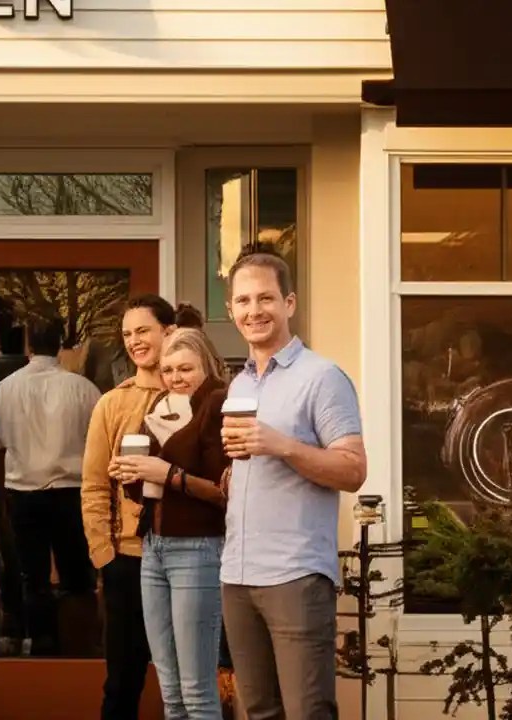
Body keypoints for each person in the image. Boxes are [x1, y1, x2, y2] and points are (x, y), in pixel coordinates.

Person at [219, 251, 367, 719]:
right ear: (230, 311)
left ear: (289, 302)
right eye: (243, 300)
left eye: (265, 297)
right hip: (237, 574)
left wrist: (283, 445)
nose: (253, 310)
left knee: (308, 712)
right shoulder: (238, 385)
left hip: (295, 575)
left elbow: (353, 469)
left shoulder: (322, 377)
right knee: (260, 711)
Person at [115, 319, 231, 720]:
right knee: (170, 688)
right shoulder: (159, 410)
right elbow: (147, 492)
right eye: (168, 370)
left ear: (206, 367)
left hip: (198, 548)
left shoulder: (216, 404)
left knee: (196, 690)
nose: (176, 378)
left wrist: (166, 474)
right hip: (154, 549)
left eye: (186, 369)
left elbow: (223, 491)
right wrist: (132, 476)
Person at [82, 294, 182, 720]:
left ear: (169, 332)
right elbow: (92, 485)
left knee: (187, 679)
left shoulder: (194, 397)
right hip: (129, 558)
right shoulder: (112, 404)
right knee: (123, 681)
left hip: (189, 554)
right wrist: (105, 555)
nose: (134, 341)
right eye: (127, 334)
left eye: (143, 330)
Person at [0, 315, 100, 656]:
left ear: (28, 345)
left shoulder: (4, 389)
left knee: (31, 575)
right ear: (60, 346)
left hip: (24, 491)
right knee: (77, 575)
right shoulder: (84, 389)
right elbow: (99, 443)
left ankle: (42, 644)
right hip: (72, 490)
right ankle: (78, 645)